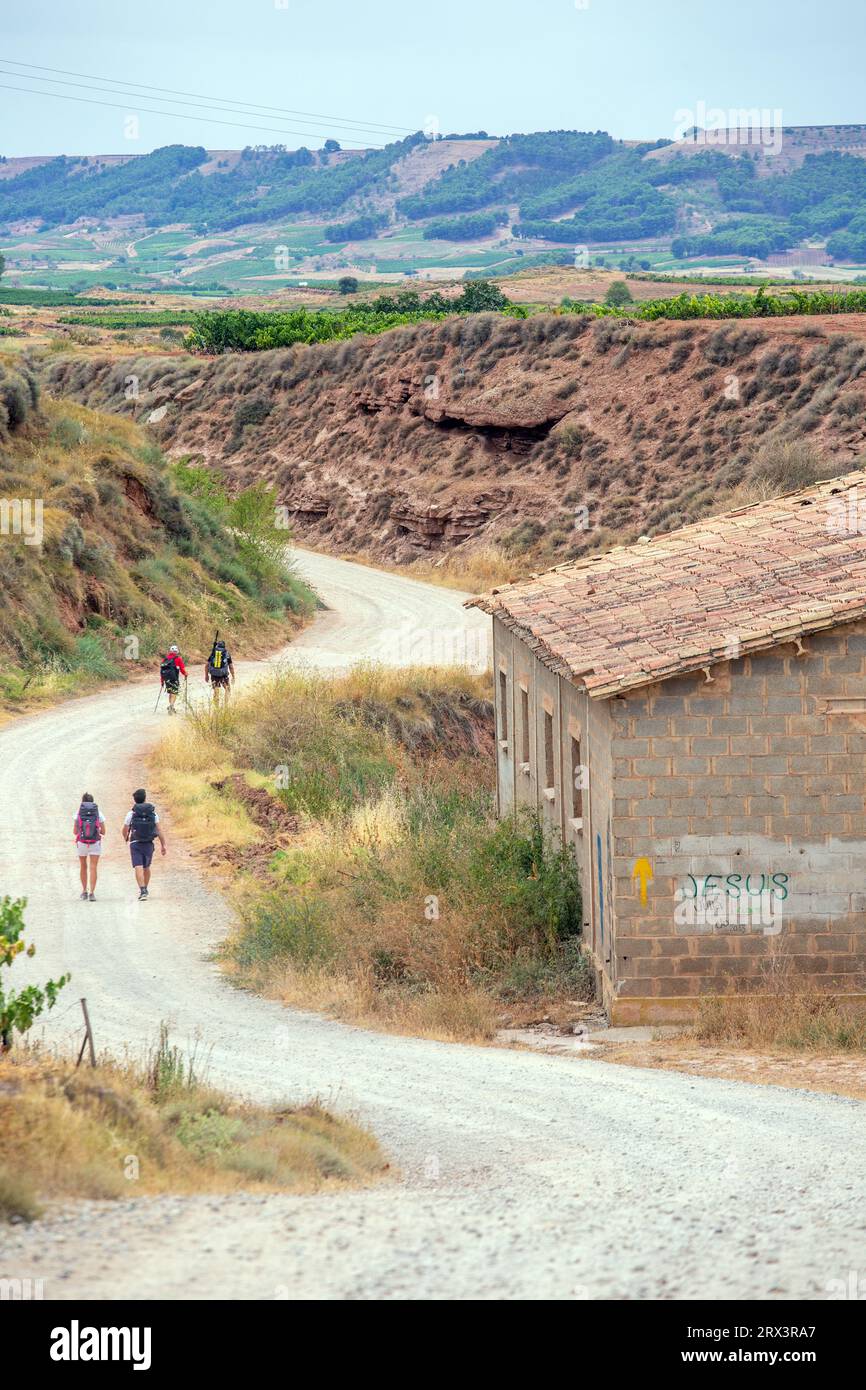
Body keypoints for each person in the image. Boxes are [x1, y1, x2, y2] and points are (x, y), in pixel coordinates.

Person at [122, 788, 167, 900]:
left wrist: (126, 838)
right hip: (148, 842)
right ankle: (145, 888)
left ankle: (142, 890)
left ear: (135, 800)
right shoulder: (153, 813)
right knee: (146, 866)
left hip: (135, 842)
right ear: (145, 798)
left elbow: (125, 829)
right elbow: (159, 830)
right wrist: (163, 844)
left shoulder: (131, 813)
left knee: (138, 866)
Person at [73, 792, 105, 902]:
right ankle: (92, 893)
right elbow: (104, 831)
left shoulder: (78, 813)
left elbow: (75, 831)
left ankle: (84, 891)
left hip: (82, 843)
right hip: (95, 842)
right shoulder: (98, 813)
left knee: (83, 866)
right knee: (93, 867)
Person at [205, 638, 235, 706]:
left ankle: (216, 708)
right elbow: (231, 666)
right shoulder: (227, 653)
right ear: (224, 646)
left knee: (216, 691)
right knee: (227, 689)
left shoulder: (213, 652)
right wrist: (233, 676)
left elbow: (206, 665)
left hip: (214, 675)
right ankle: (226, 705)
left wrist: (206, 675)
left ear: (217, 646)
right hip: (223, 675)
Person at [159, 644, 188, 715]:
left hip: (166, 679)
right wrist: (186, 674)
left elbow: (162, 671)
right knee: (174, 692)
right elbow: (182, 669)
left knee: (170, 692)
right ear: (177, 651)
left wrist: (162, 681)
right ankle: (171, 706)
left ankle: (171, 706)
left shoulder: (165, 659)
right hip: (174, 678)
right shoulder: (178, 659)